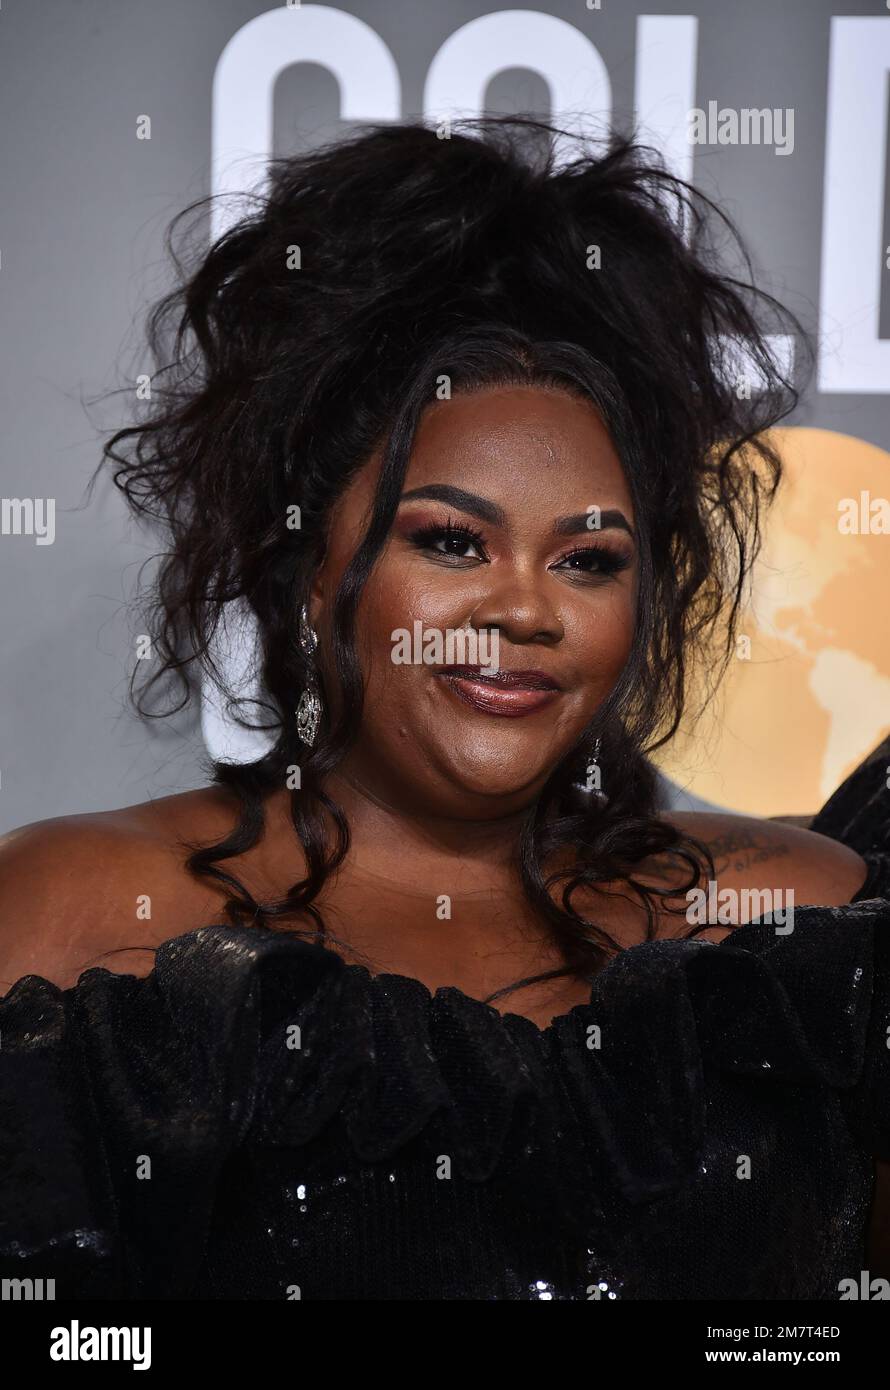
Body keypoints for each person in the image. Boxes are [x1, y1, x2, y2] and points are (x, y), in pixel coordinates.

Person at [0, 116, 887, 1300]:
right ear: (302, 562)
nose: (523, 609)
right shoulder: (71, 913)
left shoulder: (798, 933)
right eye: (452, 540)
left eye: (587, 560)